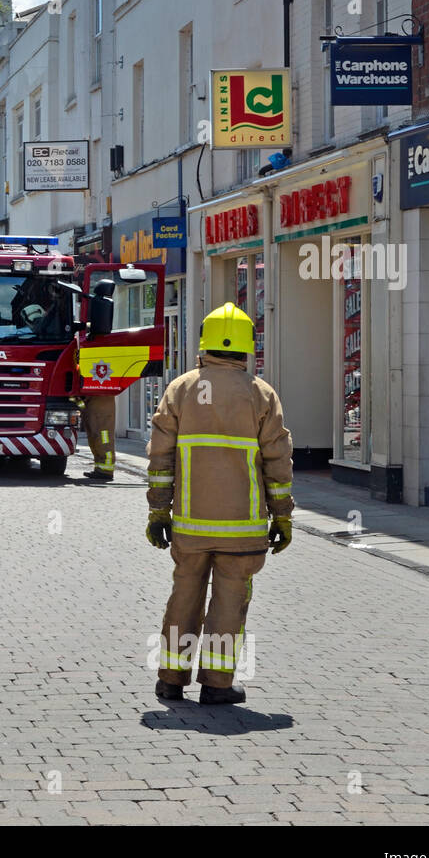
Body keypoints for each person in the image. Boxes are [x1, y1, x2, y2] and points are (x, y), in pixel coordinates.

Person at [145, 302, 294, 705]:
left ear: (204, 344)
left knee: (184, 596)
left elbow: (160, 458)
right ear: (247, 348)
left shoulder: (180, 389)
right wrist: (282, 517)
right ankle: (217, 685)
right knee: (230, 602)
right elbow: (278, 463)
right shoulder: (261, 395)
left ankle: (171, 680)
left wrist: (159, 510)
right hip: (242, 530)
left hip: (190, 526)